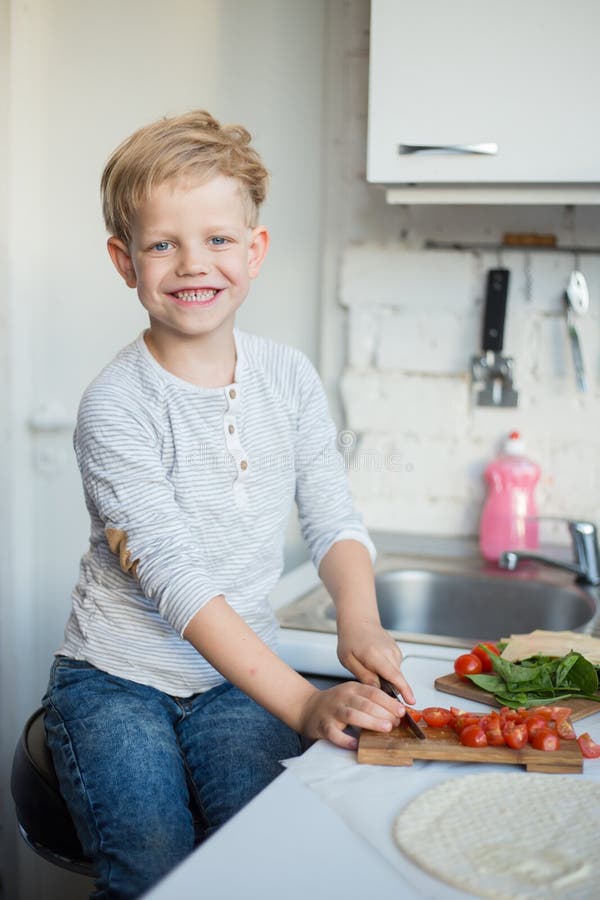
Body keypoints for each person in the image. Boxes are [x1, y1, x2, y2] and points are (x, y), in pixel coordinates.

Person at [42, 109, 414, 899]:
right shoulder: (116, 406)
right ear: (124, 260)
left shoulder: (290, 378)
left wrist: (362, 621)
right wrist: (308, 703)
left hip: (234, 686)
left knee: (263, 849)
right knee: (154, 864)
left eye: (216, 239)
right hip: (116, 681)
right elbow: (175, 579)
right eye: (162, 243)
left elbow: (332, 514)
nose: (191, 264)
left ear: (256, 250)